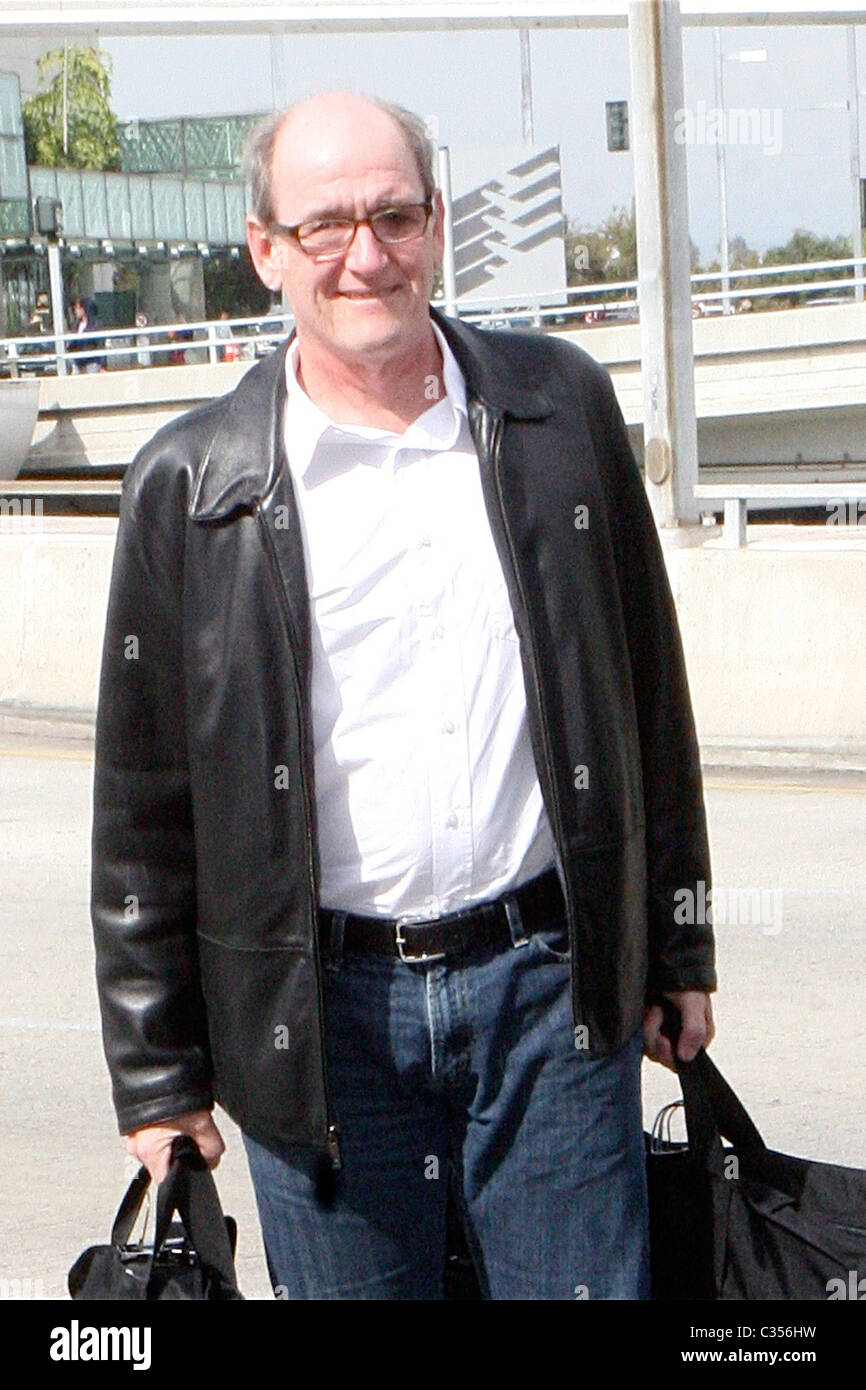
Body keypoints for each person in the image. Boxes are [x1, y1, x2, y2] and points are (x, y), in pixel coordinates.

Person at [90, 91, 716, 1301]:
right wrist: (156, 1074)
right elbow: (141, 806)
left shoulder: (555, 412)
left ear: (435, 222)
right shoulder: (192, 484)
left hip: (548, 995)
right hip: (320, 1030)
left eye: (391, 216)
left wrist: (677, 938)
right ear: (265, 248)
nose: (364, 255)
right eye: (324, 225)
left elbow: (645, 690)